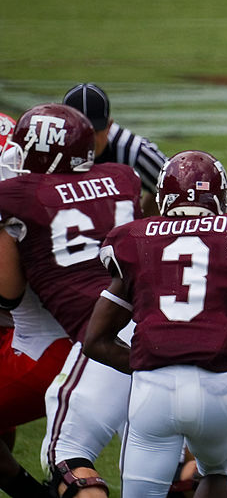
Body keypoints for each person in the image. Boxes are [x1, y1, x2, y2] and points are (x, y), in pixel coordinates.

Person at [82, 150, 227, 498]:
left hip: (152, 389)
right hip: (217, 387)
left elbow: (95, 340)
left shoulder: (132, 238)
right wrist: (221, 328)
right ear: (220, 196)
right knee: (215, 474)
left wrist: (151, 363)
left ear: (164, 197)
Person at [0, 103, 143, 497]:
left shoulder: (17, 196)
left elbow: (6, 295)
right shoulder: (122, 177)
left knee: (67, 456)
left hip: (87, 341)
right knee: (160, 460)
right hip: (163, 323)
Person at [0, 111, 69, 498]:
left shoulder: (15, 211)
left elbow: (6, 294)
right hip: (106, 341)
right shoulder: (86, 195)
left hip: (47, 348)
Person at [64, 82, 168, 216]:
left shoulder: (131, 150)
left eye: (95, 131)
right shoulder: (47, 148)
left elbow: (173, 186)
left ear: (109, 126)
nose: (89, 140)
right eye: (80, 131)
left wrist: (142, 227)